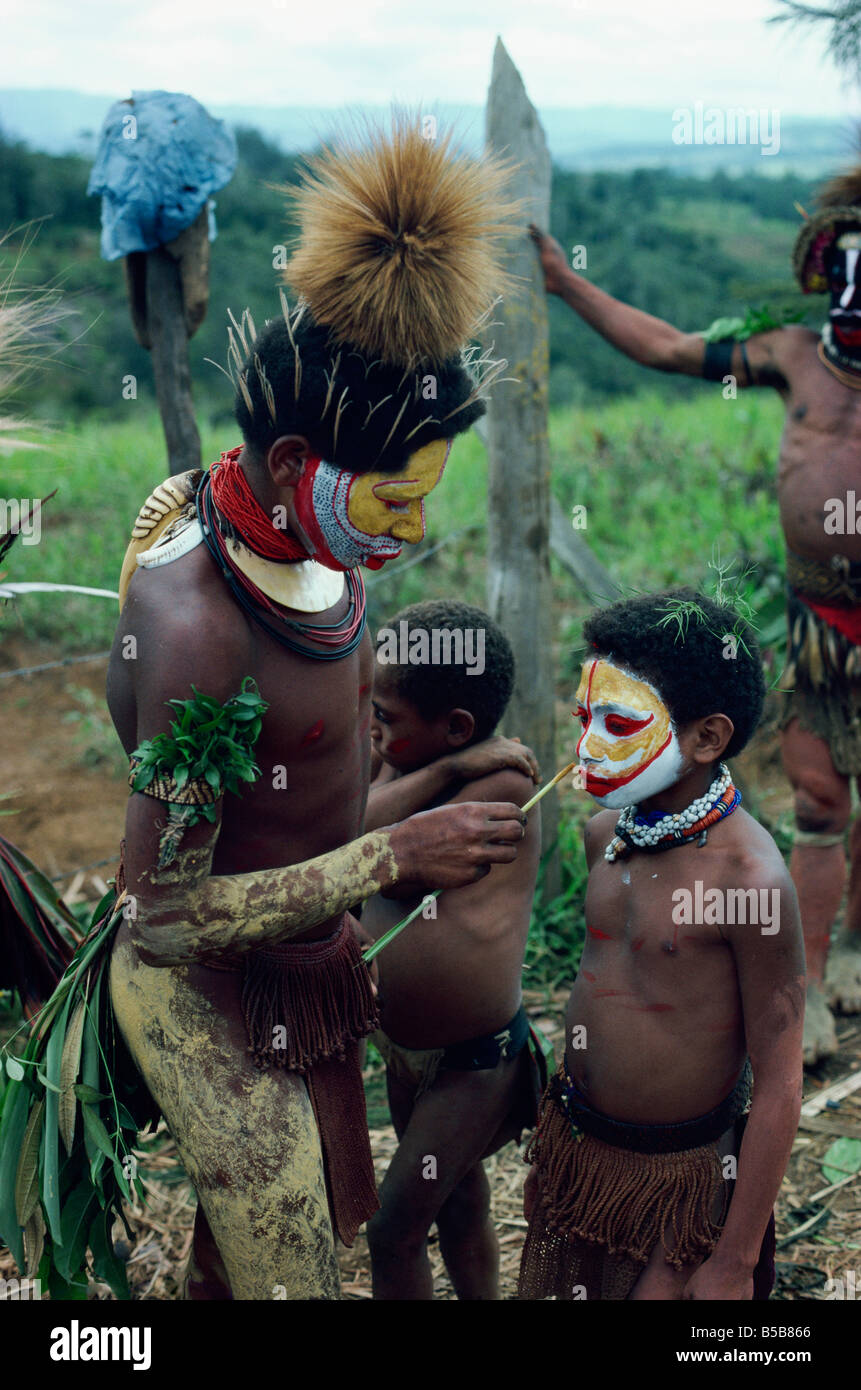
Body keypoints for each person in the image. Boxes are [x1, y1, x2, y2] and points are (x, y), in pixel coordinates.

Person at [106, 118, 527, 1300]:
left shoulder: (291, 528)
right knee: (289, 1274)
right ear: (298, 463)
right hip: (202, 982)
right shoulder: (201, 623)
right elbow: (159, 913)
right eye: (395, 503)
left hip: (309, 961)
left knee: (247, 1254)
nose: (416, 535)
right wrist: (386, 849)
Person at [530, 161, 861, 1065]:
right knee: (821, 798)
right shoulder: (794, 353)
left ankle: (851, 952)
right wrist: (564, 284)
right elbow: (667, 348)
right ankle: (812, 989)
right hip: (820, 628)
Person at [518, 589, 804, 1301]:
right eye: (584, 718)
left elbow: (779, 1079)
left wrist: (734, 1259)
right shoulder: (601, 838)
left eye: (617, 722)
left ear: (706, 738)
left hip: (681, 1185)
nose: (585, 746)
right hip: (578, 1156)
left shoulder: (750, 880)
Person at [360, 599, 545, 1299]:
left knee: (392, 1231)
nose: (371, 726)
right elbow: (345, 822)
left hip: (474, 1062)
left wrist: (450, 774)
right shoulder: (400, 767)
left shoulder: (502, 785)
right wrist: (438, 768)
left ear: (457, 728)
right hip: (407, 1056)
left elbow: (359, 835)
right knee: (458, 1205)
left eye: (385, 715)